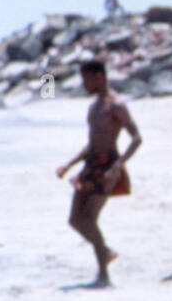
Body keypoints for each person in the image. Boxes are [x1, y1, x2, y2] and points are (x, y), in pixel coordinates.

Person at [55, 60, 143, 287]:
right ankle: (105, 252)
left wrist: (118, 166)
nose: (83, 83)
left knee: (89, 219)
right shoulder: (93, 107)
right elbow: (92, 144)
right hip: (90, 166)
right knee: (75, 219)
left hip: (108, 168)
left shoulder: (116, 105)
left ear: (99, 77)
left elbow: (136, 138)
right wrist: (69, 164)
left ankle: (103, 273)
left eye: (86, 79)